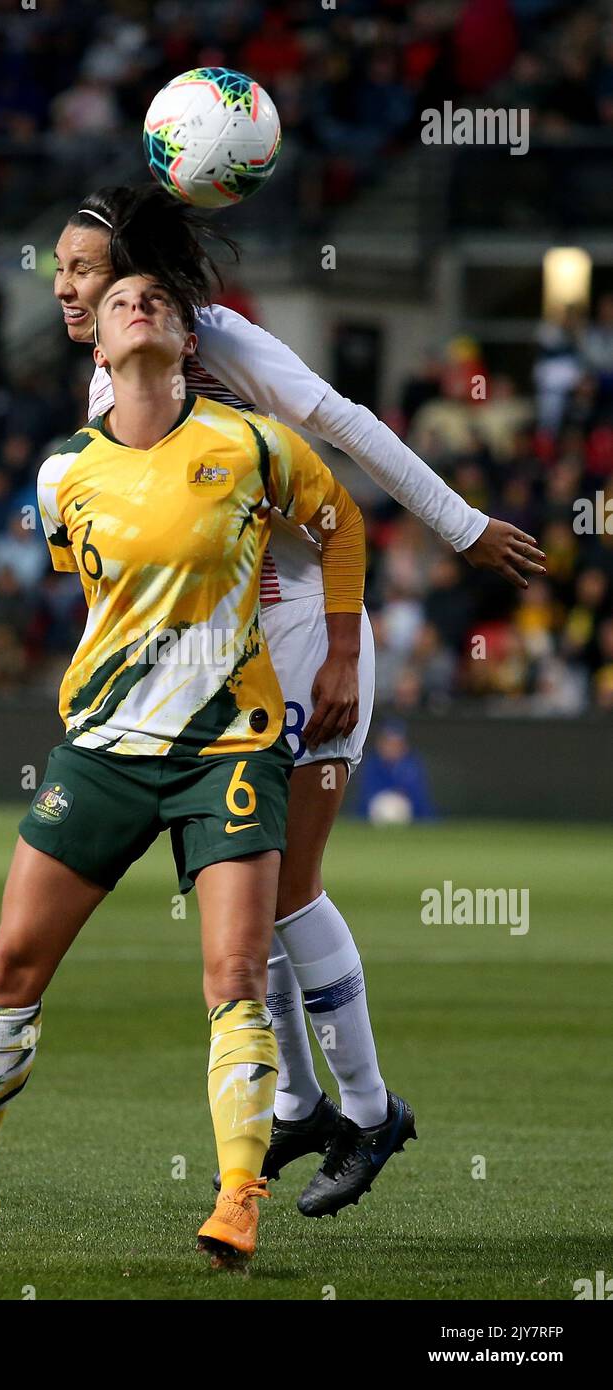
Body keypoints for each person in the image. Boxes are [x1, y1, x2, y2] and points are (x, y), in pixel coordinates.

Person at [52, 185, 545, 1217]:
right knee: (245, 888)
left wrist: (457, 528)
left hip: (312, 637)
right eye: (60, 270)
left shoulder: (216, 343)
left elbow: (338, 426)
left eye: (83, 268)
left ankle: (367, 1110)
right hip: (229, 667)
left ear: (142, 282)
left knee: (286, 892)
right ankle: (296, 1104)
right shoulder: (114, 391)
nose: (64, 285)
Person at [0, 272, 366, 1265]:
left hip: (230, 744)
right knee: (10, 966)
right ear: (97, 351)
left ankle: (235, 1196)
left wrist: (341, 650)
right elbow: (94, 593)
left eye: (158, 301)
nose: (136, 305)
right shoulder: (61, 475)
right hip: (99, 749)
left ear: (185, 341)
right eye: (118, 300)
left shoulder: (254, 444)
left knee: (231, 972)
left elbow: (339, 521)